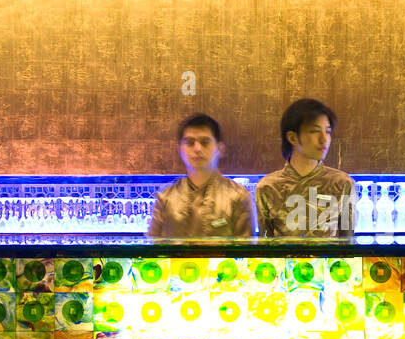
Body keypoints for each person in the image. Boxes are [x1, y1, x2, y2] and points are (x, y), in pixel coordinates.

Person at [254, 98, 355, 238]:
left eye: (328, 131)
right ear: (293, 138)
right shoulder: (268, 187)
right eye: (315, 131)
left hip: (330, 260)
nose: (324, 139)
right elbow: (265, 246)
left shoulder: (342, 183)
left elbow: (348, 245)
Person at [147, 114, 253, 238]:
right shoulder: (166, 198)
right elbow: (151, 249)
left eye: (205, 142)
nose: (197, 148)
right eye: (190, 142)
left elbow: (247, 253)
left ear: (220, 148)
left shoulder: (238, 197)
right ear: (179, 149)